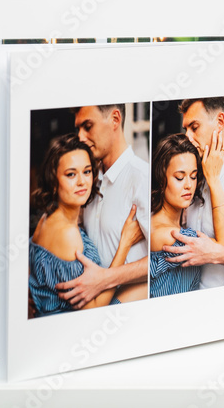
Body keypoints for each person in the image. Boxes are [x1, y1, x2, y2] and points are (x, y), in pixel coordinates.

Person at [29, 135, 143, 316]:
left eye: (87, 171)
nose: (82, 182)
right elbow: (93, 309)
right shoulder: (67, 234)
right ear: (53, 183)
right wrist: (125, 243)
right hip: (74, 326)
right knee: (143, 286)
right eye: (71, 174)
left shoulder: (47, 218)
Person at [56, 104, 149, 306]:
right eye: (78, 128)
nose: (80, 137)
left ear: (115, 119)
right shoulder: (86, 180)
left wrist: (105, 279)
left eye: (87, 126)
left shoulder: (143, 179)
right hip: (88, 306)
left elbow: (162, 260)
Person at [162, 97, 224, 289]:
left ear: (220, 123)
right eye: (185, 129)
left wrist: (216, 253)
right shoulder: (192, 178)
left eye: (194, 127)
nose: (187, 137)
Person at [149, 133, 224, 297]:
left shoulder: (171, 224)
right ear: (161, 179)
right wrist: (214, 179)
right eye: (179, 177)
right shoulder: (170, 235)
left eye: (194, 176)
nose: (189, 185)